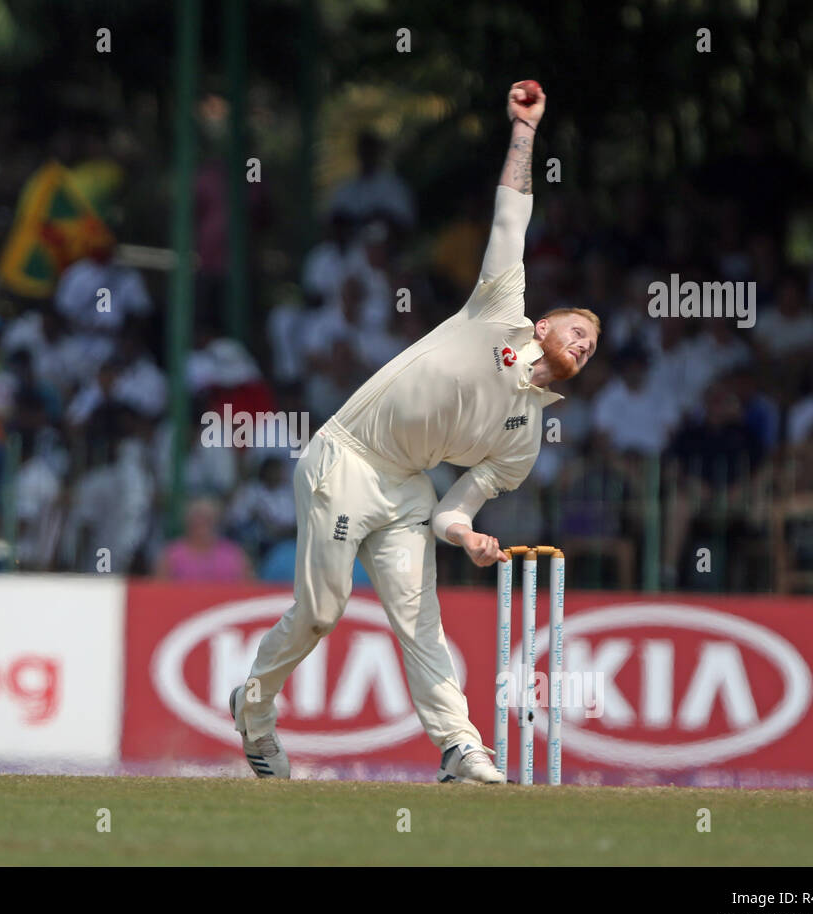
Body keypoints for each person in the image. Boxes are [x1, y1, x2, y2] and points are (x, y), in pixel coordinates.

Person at [230, 82, 601, 784]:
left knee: (419, 622)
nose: (583, 346)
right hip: (346, 457)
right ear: (545, 325)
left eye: (591, 350)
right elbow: (510, 216)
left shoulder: (525, 439)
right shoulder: (500, 306)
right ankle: (253, 709)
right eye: (578, 331)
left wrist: (468, 536)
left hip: (407, 490)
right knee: (320, 611)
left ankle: (461, 748)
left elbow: (456, 508)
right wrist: (524, 132)